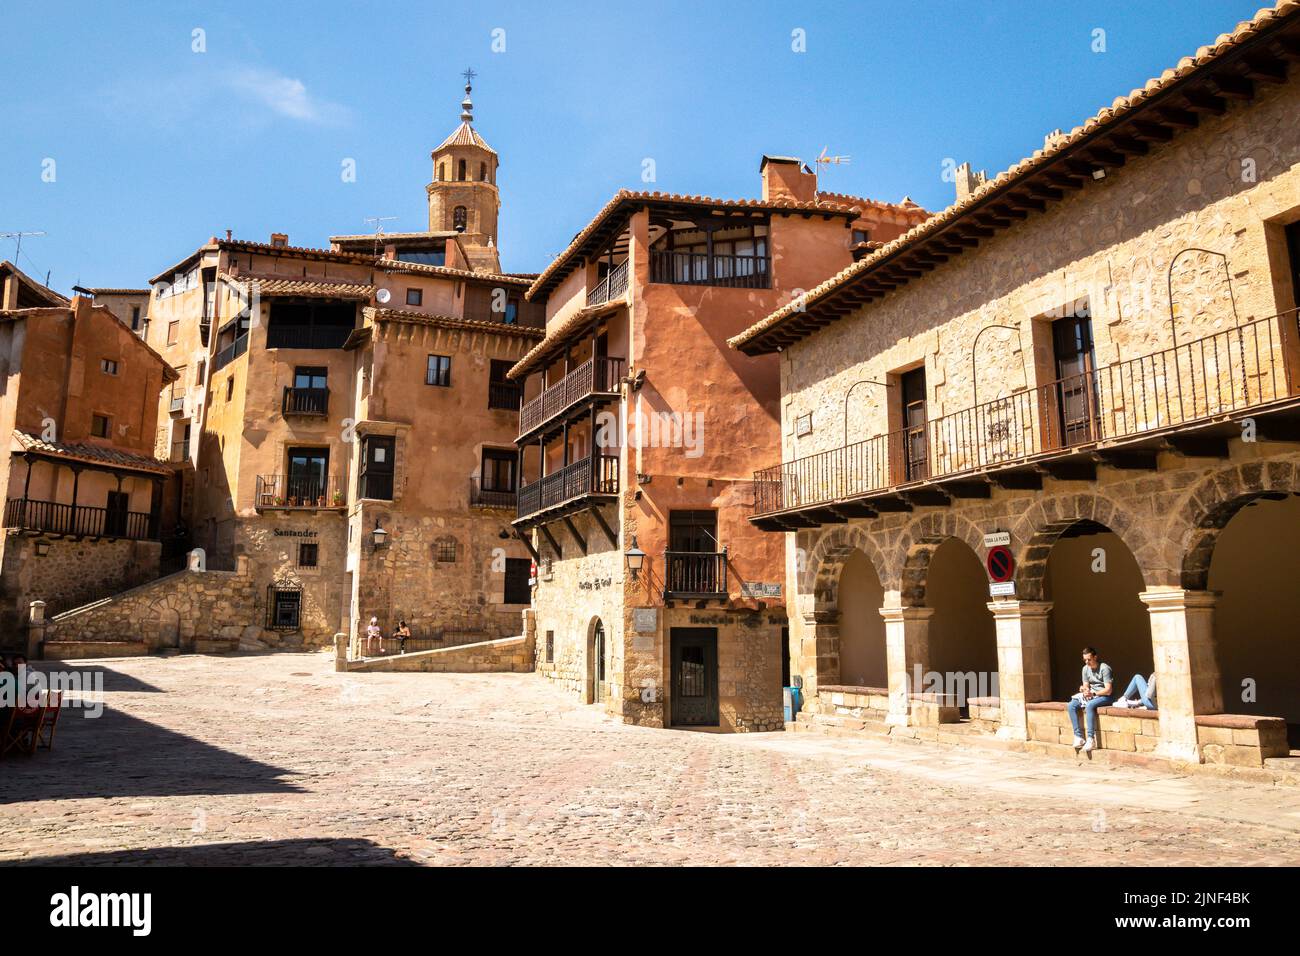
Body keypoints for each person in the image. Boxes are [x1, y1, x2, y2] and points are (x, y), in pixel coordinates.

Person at [1067, 646, 1114, 753]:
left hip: (1104, 696)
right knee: (1071, 705)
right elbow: (1086, 686)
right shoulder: (1085, 669)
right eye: (1085, 660)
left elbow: (1108, 690)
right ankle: (1078, 737)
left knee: (1089, 705)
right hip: (1092, 695)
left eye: (1089, 659)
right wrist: (1084, 689)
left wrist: (1092, 693)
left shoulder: (1104, 668)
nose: (1087, 662)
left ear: (1095, 657)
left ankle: (1090, 738)